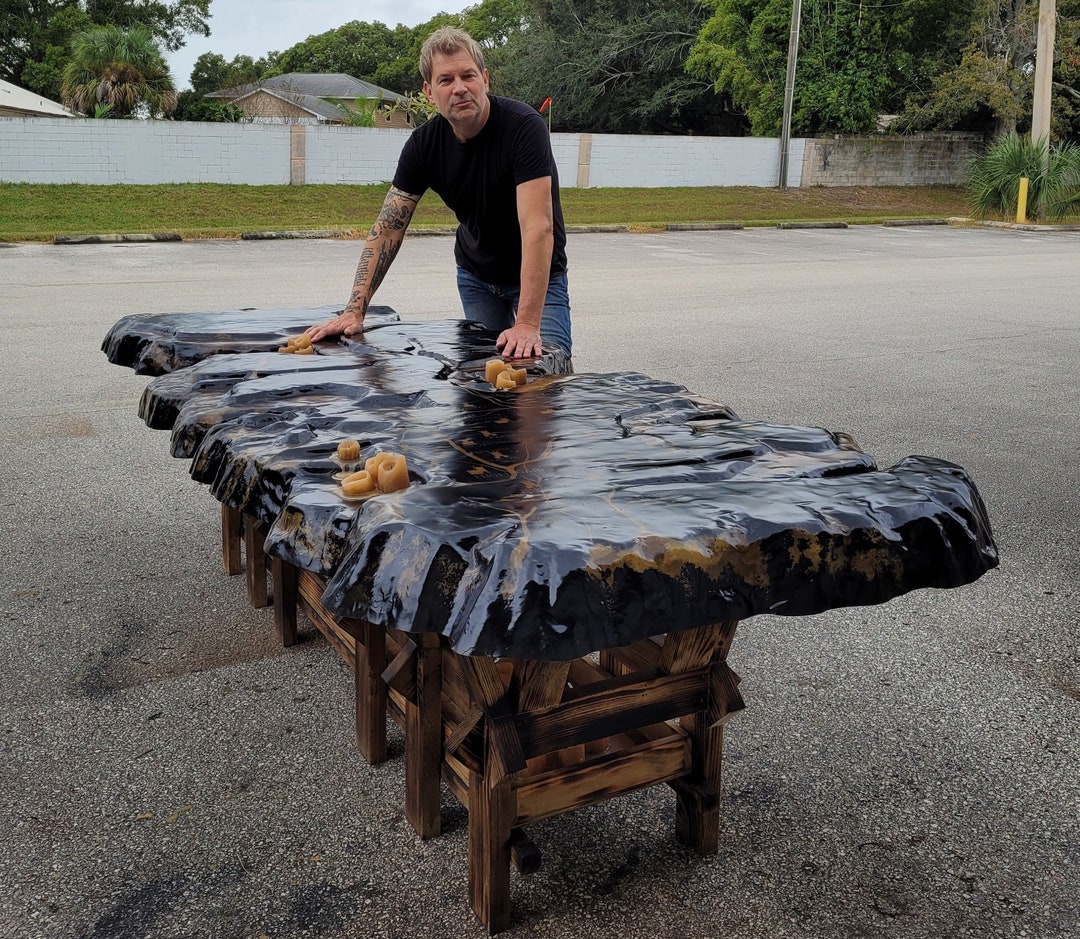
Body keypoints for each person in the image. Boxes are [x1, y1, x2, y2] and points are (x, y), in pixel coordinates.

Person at [307, 26, 571, 359]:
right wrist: (353, 311)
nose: (460, 88)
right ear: (429, 92)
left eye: (468, 76)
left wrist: (527, 324)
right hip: (477, 276)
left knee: (543, 371)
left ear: (485, 80)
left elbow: (538, 227)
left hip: (538, 278)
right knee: (484, 376)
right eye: (446, 80)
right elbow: (388, 228)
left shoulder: (523, 127)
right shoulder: (423, 145)